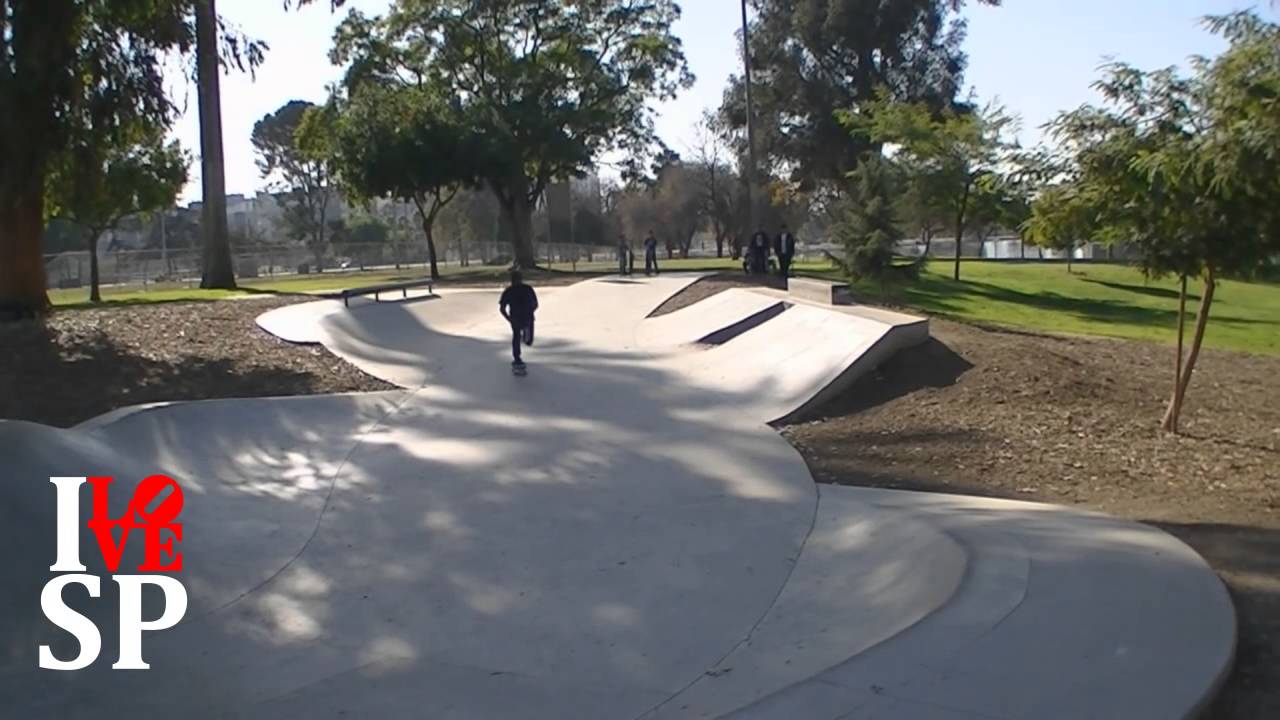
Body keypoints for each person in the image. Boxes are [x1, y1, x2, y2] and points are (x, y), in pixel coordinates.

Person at [499, 269, 539, 367]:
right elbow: (536, 304)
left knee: (522, 338)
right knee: (520, 338)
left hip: (520, 317)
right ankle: (517, 357)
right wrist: (530, 311)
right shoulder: (525, 289)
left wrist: (509, 319)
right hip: (522, 317)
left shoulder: (512, 290)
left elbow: (502, 309)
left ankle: (519, 352)